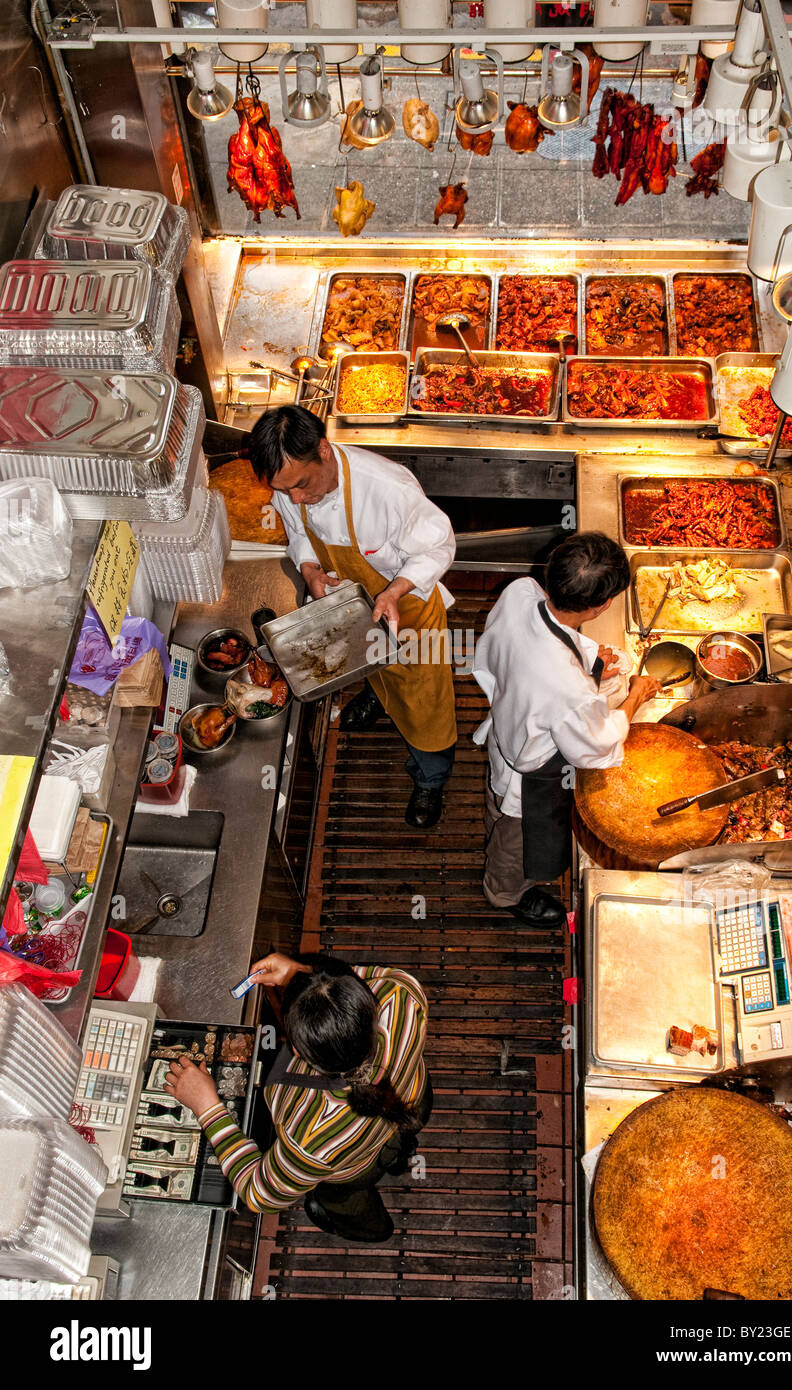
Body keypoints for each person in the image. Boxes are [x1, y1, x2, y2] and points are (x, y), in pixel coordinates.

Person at [248, 404, 457, 829]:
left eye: (302, 486)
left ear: (323, 450)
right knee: (373, 669)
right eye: (286, 491)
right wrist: (309, 568)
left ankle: (430, 778)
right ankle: (379, 697)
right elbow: (298, 531)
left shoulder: (387, 488)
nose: (296, 499)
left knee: (425, 703)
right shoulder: (292, 483)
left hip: (409, 611)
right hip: (354, 606)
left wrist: (396, 589)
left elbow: (440, 545)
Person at [165, 952, 432, 1244]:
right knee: (405, 1130)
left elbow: (259, 1194)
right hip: (409, 1100)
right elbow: (360, 978)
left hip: (356, 1167)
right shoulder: (403, 996)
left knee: (346, 1202)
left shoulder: (310, 1141)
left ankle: (372, 1228)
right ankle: (401, 1151)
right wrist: (303, 973)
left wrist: (207, 1107)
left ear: (297, 1051)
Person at [471, 532, 661, 927]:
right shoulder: (568, 689)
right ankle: (503, 892)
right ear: (600, 606)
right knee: (515, 838)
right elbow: (595, 746)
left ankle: (495, 839)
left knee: (497, 807)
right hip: (529, 776)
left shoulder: (520, 592)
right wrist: (635, 697)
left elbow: (533, 653)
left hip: (504, 733)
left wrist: (588, 663)